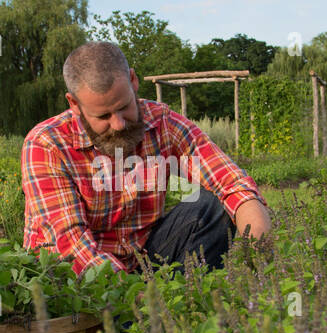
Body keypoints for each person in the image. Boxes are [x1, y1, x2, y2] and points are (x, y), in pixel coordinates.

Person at [21, 42, 271, 276]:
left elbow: (227, 178)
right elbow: (72, 244)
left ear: (133, 80)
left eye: (124, 107)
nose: (118, 125)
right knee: (92, 293)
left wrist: (257, 234)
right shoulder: (47, 144)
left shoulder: (162, 122)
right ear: (74, 104)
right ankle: (154, 313)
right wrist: (133, 297)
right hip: (77, 279)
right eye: (104, 116)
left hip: (141, 263)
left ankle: (188, 302)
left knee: (210, 206)